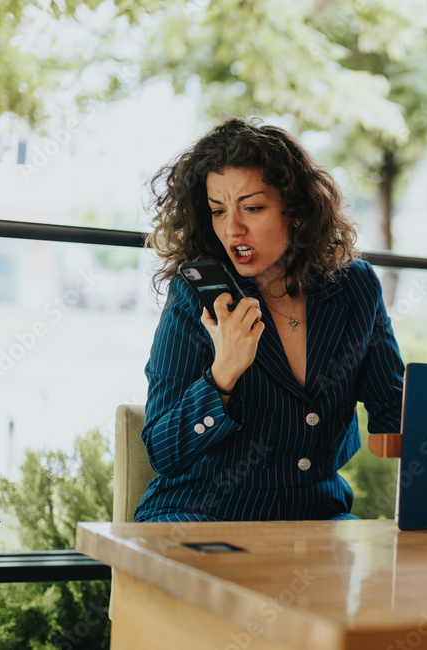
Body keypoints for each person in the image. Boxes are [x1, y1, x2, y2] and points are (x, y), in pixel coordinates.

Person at [134, 117, 404, 522]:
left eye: (253, 208)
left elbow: (393, 412)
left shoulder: (356, 287)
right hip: (201, 512)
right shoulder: (194, 297)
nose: (233, 229)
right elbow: (162, 451)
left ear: (295, 211)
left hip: (317, 515)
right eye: (218, 211)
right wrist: (222, 374)